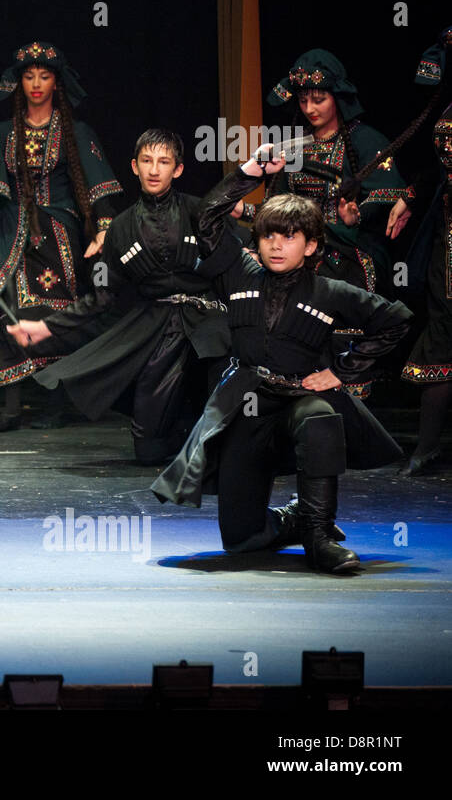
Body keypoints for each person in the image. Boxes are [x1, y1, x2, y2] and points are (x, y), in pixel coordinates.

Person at [151, 152, 412, 574]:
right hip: (247, 401)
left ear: (310, 246)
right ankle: (292, 519)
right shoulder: (237, 272)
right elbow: (207, 217)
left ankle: (319, 535)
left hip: (299, 397)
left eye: (289, 237)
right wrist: (251, 171)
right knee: (241, 540)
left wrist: (341, 371)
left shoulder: (330, 291)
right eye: (269, 236)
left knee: (320, 416)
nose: (276, 244)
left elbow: (395, 322)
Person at [8, 129, 232, 464]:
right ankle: (182, 435)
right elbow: (102, 297)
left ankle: (211, 441)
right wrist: (47, 327)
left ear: (178, 169)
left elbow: (236, 261)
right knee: (148, 451)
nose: (154, 170)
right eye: (147, 161)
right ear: (134, 166)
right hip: (158, 331)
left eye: (163, 162)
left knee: (223, 426)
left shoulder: (198, 213)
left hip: (210, 328)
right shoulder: (120, 229)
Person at [0, 41, 122, 430]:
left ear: (57, 82)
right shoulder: (4, 131)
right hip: (13, 231)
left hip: (58, 233)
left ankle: (54, 404)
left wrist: (104, 229)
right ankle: (12, 405)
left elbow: (99, 185)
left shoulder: (75, 131)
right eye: (29, 75)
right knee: (12, 310)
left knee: (55, 311)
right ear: (18, 83)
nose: (36, 83)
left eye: (45, 75)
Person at [256, 49, 409, 396]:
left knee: (341, 286)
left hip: (349, 246)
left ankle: (348, 391)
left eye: (319, 100)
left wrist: (359, 212)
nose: (310, 109)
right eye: (304, 100)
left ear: (336, 97)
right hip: (298, 250)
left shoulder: (365, 141)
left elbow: (390, 192)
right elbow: (275, 203)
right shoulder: (293, 146)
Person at [390, 26, 452, 475]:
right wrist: (411, 195)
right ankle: (426, 449)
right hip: (446, 242)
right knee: (444, 326)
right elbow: (440, 167)